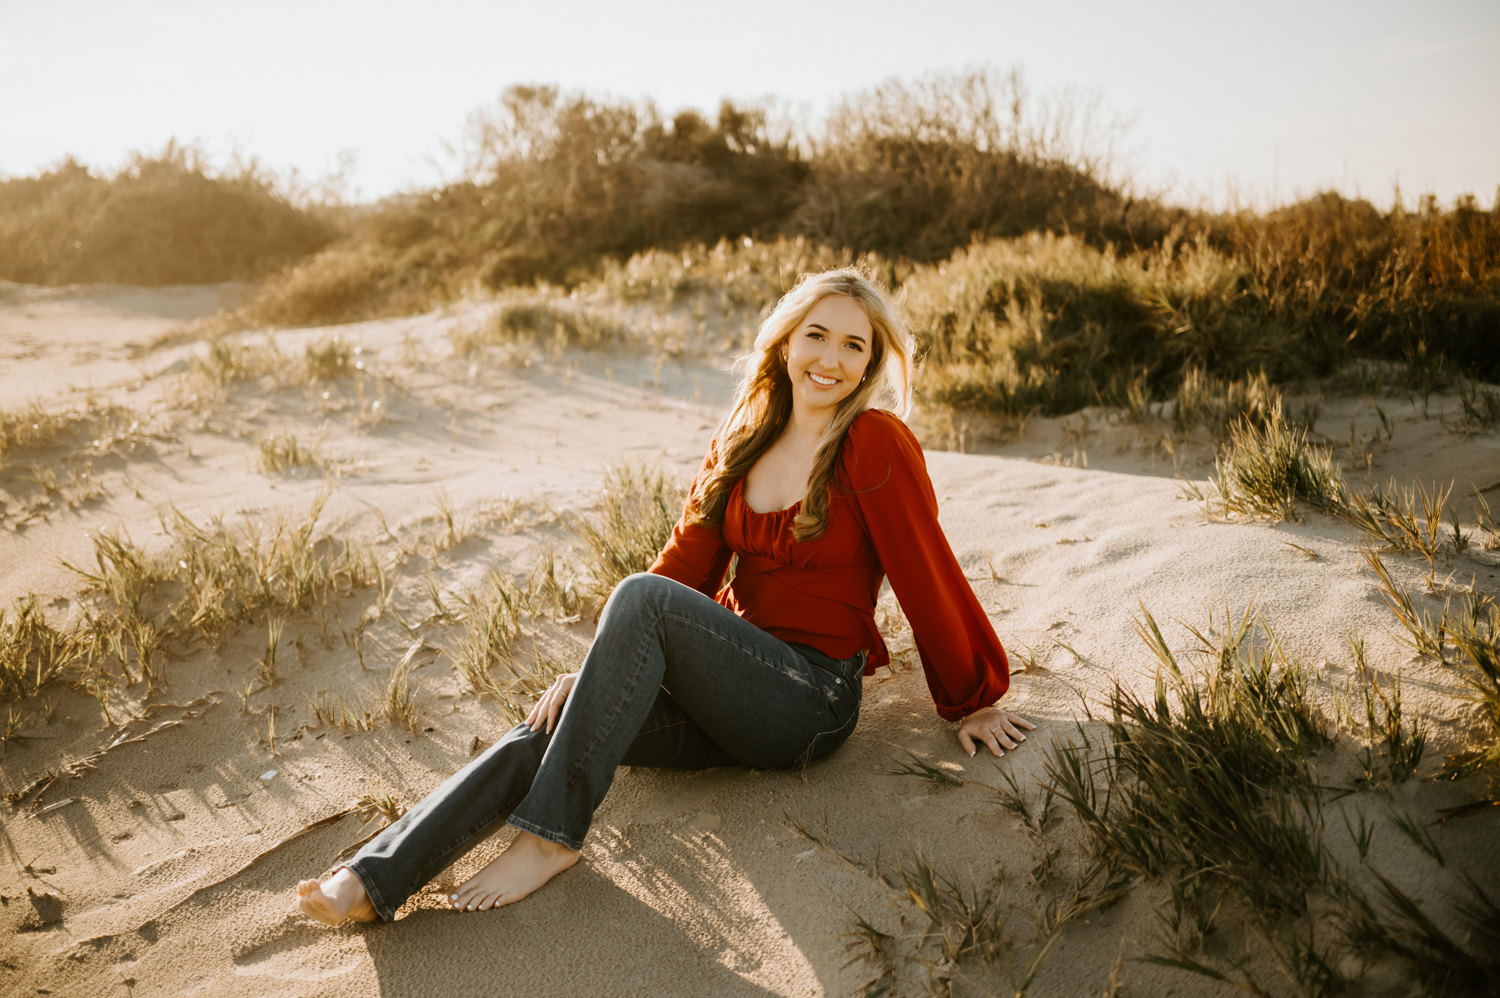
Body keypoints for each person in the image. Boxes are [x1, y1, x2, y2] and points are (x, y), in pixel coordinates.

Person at [296, 268, 1035, 925]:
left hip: (807, 700)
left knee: (640, 599)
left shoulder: (874, 441)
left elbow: (924, 567)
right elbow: (686, 564)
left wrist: (974, 697)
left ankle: (550, 838)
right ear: (784, 343)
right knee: (557, 726)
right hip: (728, 695)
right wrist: (597, 674)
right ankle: (372, 879)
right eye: (818, 336)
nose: (832, 360)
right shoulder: (743, 437)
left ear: (873, 365)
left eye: (856, 347)